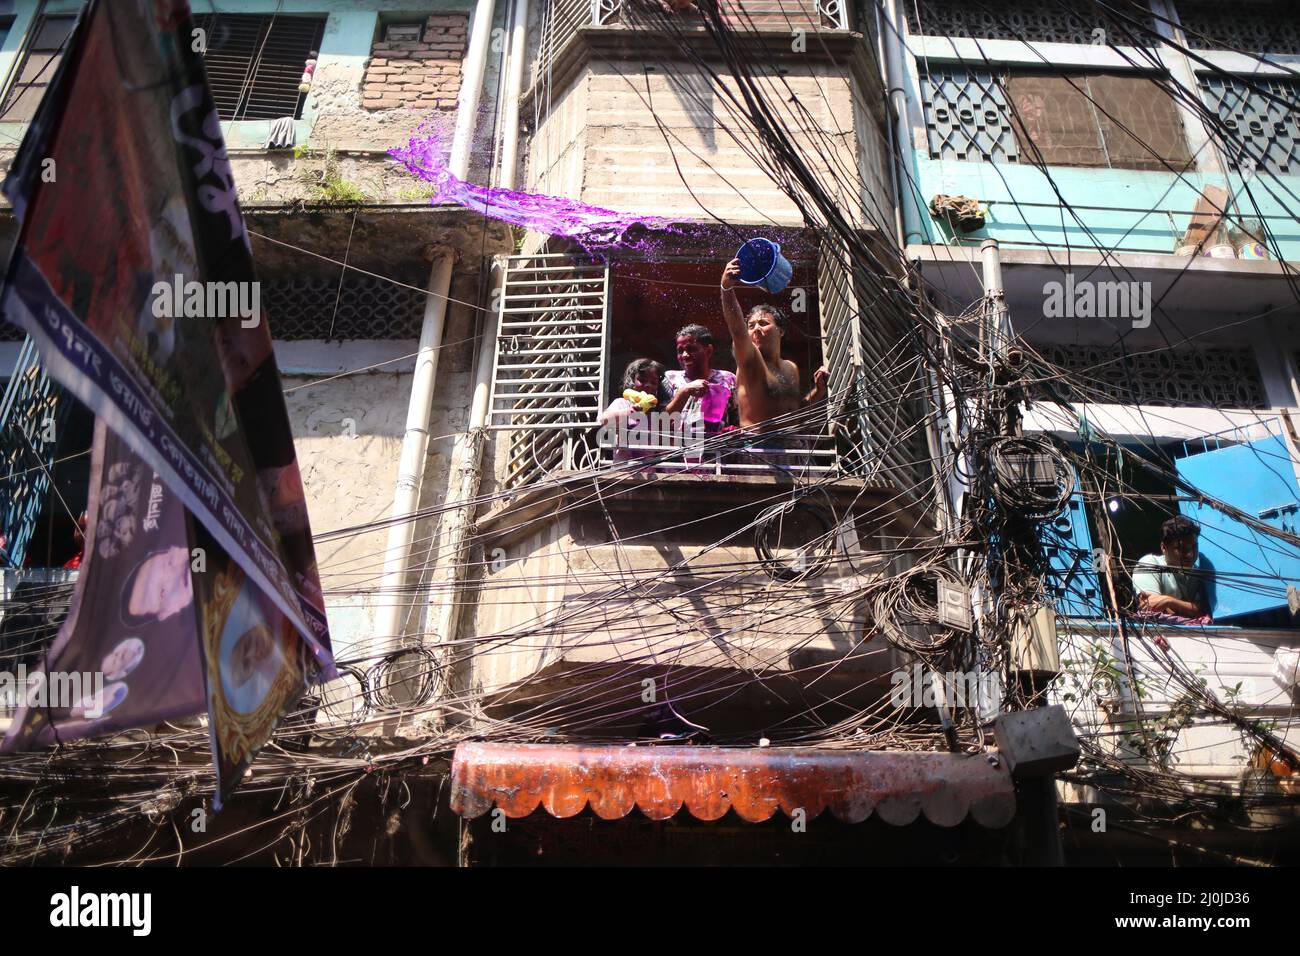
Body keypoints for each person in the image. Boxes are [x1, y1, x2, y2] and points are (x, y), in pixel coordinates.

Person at [720, 259, 828, 431]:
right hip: (758, 450)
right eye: (751, 325)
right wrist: (726, 288)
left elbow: (795, 413)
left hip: (793, 447)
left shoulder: (790, 367)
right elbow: (737, 330)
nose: (756, 329)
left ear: (781, 331)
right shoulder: (750, 361)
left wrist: (819, 390)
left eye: (763, 323)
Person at [1132, 514, 1212, 625]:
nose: (1190, 554)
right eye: (1181, 548)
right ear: (1163, 547)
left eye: (1194, 547)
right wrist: (1188, 608)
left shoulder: (1196, 573)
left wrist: (1168, 601)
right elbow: (1151, 606)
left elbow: (1201, 610)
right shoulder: (1150, 563)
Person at [662, 324, 737, 437]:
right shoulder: (670, 378)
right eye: (680, 351)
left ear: (709, 351)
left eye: (691, 349)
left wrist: (733, 430)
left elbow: (739, 419)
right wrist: (684, 391)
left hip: (718, 450)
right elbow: (659, 421)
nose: (685, 355)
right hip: (678, 451)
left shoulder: (727, 379)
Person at [599, 358, 666, 460]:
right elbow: (604, 419)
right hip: (623, 472)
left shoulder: (656, 412)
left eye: (653, 382)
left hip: (650, 472)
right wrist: (628, 412)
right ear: (632, 381)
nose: (648, 385)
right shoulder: (622, 403)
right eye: (642, 380)